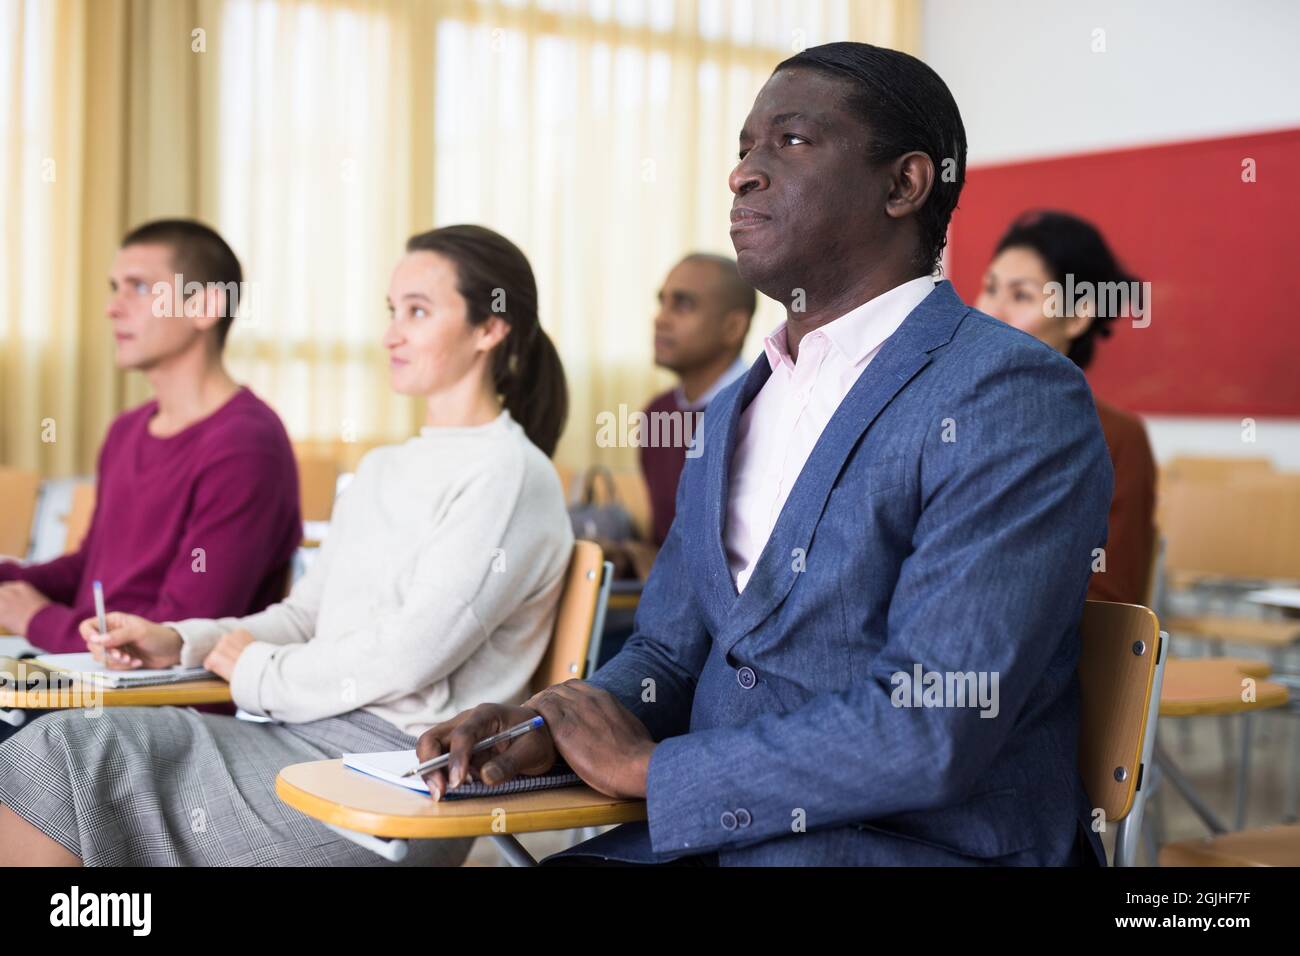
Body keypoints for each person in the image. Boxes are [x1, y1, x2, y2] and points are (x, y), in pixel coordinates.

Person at [416, 42, 1113, 867]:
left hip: (914, 847)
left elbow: (934, 719)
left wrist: (656, 769)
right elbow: (668, 652)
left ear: (904, 184)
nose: (742, 174)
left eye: (790, 141)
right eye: (744, 148)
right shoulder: (744, 397)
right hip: (720, 839)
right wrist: (552, 724)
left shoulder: (1010, 393)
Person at [0, 225, 574, 866]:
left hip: (395, 775)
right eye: (391, 311)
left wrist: (253, 673)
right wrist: (184, 640)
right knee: (45, 751)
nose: (391, 334)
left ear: (489, 328)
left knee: (64, 758)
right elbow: (305, 618)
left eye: (417, 311)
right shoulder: (384, 468)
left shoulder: (510, 475)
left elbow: (410, 655)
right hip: (297, 732)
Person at [0, 220, 300, 652]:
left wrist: (35, 618)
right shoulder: (126, 430)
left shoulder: (246, 446)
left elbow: (180, 631)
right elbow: (92, 572)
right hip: (86, 673)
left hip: (157, 700)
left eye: (139, 288)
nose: (113, 308)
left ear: (204, 307)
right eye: (114, 287)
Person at [976, 210, 1156, 605]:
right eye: (990, 289)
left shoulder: (1118, 438)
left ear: (1076, 316)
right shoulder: (947, 420)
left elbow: (1112, 603)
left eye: (1021, 295)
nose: (991, 312)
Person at [642, 253, 755, 548]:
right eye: (661, 302)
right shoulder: (657, 414)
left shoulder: (758, 409)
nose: (660, 319)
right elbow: (665, 539)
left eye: (683, 304)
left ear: (733, 327)